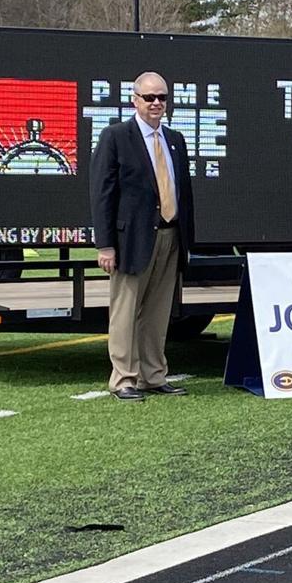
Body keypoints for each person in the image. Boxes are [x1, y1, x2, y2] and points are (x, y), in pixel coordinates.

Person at [91, 72, 194, 401]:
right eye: (149, 97)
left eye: (162, 97)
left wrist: (185, 238)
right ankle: (123, 378)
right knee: (125, 310)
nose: (156, 104)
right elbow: (102, 194)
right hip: (131, 240)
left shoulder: (175, 140)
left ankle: (154, 375)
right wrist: (105, 245)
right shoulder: (116, 137)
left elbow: (185, 194)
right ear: (134, 100)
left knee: (158, 311)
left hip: (170, 236)